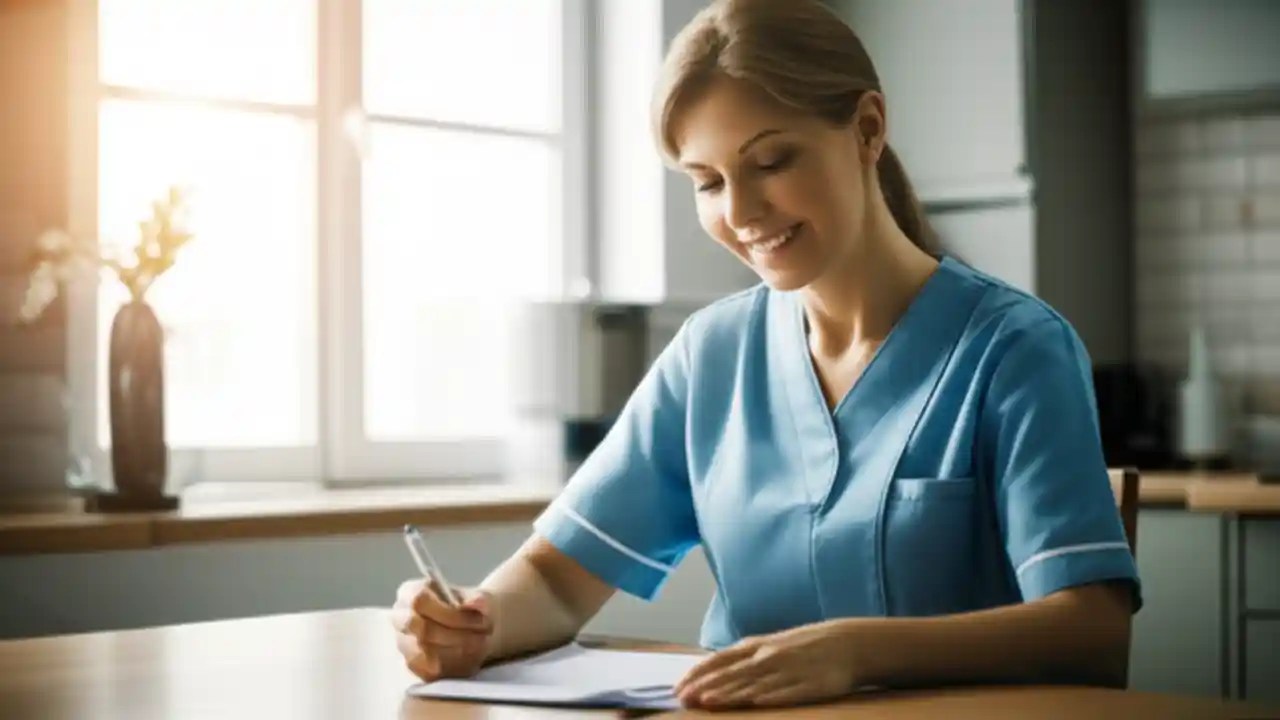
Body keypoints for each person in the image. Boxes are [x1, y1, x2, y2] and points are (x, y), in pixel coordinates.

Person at [391, 0, 1141, 709]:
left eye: (772, 161)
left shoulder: (1015, 350)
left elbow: (1091, 631)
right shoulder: (711, 357)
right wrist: (470, 622)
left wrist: (857, 653)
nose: (741, 211)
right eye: (708, 182)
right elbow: (557, 582)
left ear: (867, 129)